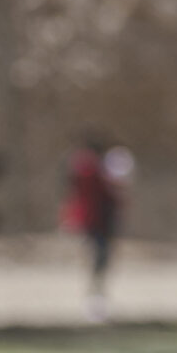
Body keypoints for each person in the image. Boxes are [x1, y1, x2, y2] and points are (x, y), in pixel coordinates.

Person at [60, 136, 132, 324]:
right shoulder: (94, 171)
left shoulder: (82, 168)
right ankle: (94, 303)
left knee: (96, 261)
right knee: (98, 262)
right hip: (97, 223)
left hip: (92, 222)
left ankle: (94, 301)